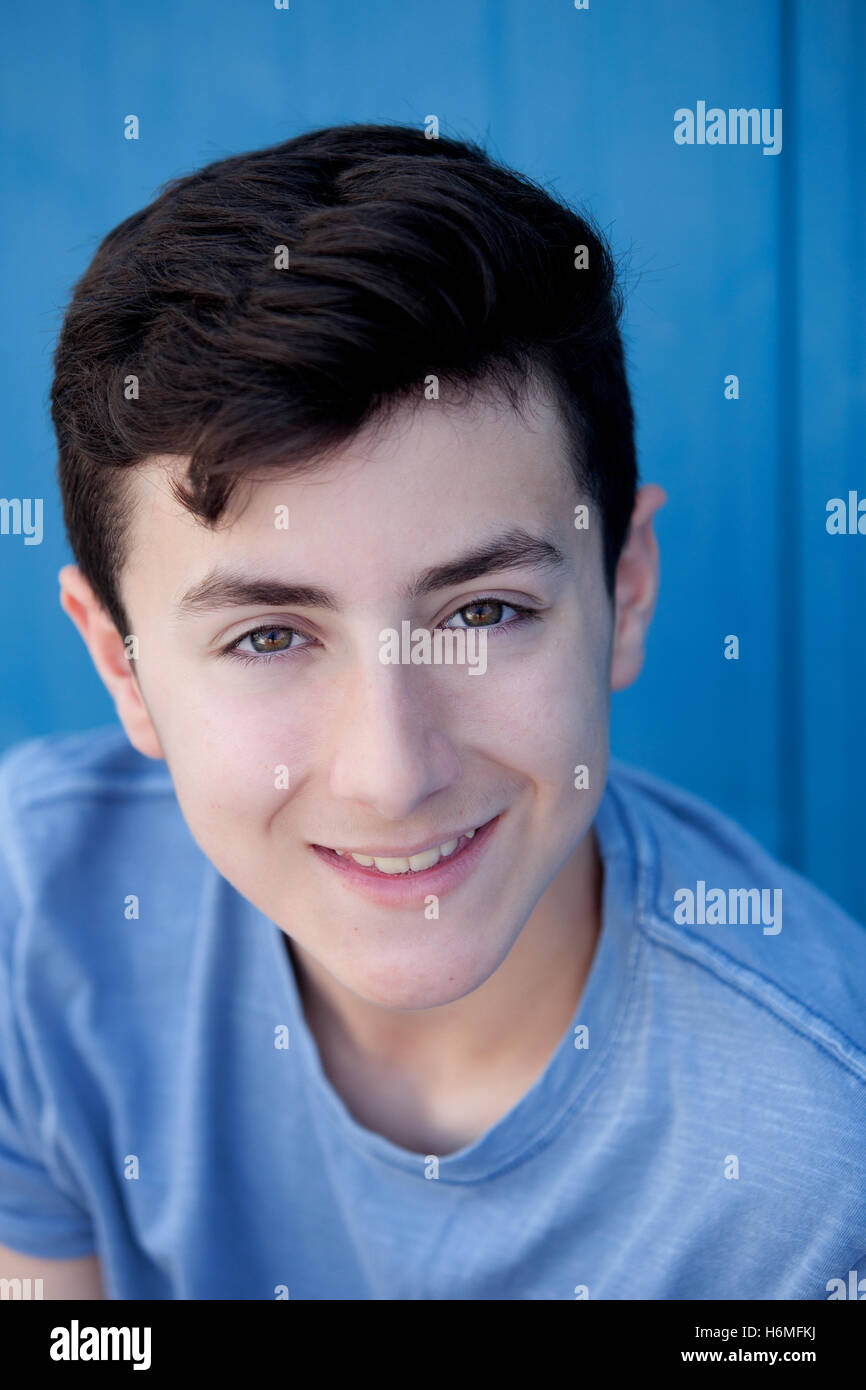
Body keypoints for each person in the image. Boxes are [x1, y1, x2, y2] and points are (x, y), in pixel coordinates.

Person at [1, 123, 863, 1301]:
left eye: (483, 612)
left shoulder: (819, 1166)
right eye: (267, 637)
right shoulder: (37, 921)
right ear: (122, 665)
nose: (391, 773)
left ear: (623, 593)